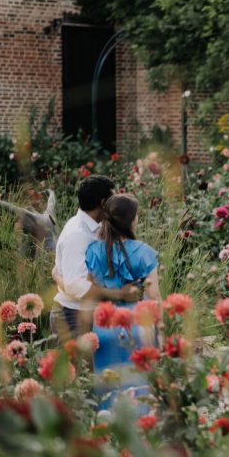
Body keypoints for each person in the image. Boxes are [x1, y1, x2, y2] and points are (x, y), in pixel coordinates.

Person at [85, 193, 161, 411]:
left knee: (106, 391)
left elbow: (89, 291)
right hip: (137, 327)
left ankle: (108, 438)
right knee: (139, 390)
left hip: (103, 326)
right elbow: (154, 296)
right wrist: (161, 333)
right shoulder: (144, 252)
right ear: (132, 220)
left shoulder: (93, 251)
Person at [51, 175, 141, 341]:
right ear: (102, 203)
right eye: (112, 198)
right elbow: (76, 287)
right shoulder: (78, 234)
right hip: (73, 317)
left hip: (91, 315)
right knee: (79, 367)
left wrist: (58, 278)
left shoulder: (98, 228)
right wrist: (119, 294)